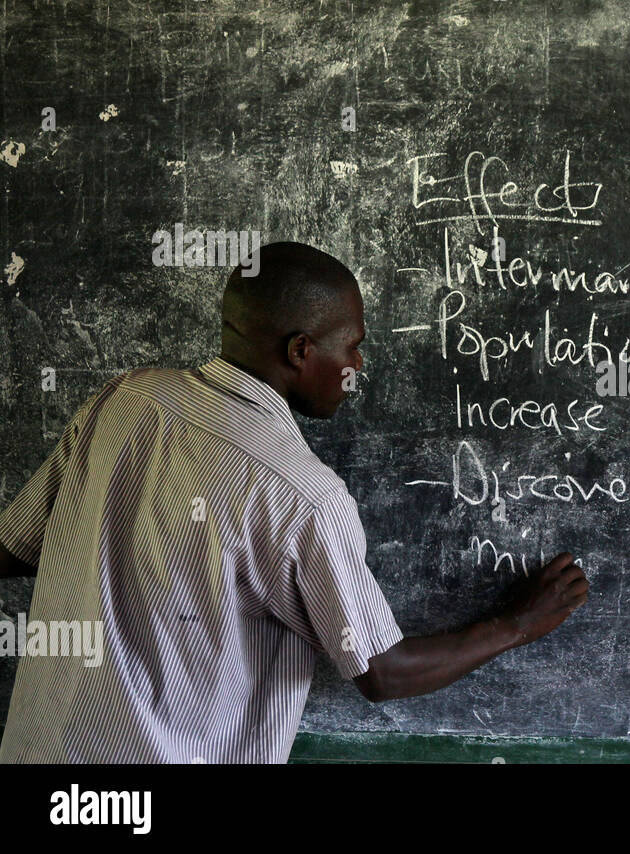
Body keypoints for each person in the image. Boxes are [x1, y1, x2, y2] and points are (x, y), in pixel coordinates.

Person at [0, 241, 588, 762]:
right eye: (352, 347)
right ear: (301, 349)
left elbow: (15, 547)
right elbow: (382, 671)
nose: (357, 366)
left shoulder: (124, 401)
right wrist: (517, 625)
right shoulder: (303, 495)